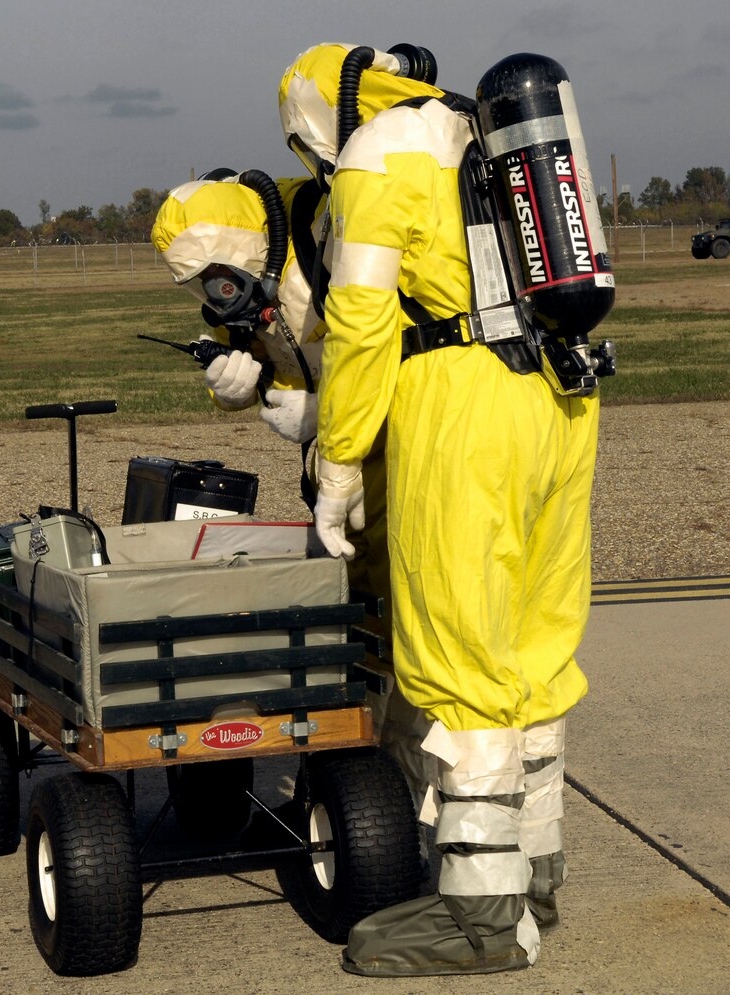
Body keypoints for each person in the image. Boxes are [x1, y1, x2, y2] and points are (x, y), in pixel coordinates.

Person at [279, 44, 602, 975]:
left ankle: (479, 917)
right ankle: (535, 875)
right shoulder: (478, 129)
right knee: (532, 654)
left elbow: (364, 318)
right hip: (559, 396)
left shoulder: (378, 148)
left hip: (463, 409)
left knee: (459, 660)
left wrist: (339, 454)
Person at [151, 173, 432, 803]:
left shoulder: (329, 248)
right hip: (334, 473)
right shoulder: (244, 288)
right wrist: (232, 391)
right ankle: (364, 781)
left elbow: (392, 360)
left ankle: (402, 790)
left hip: (403, 454)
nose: (213, 294)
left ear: (243, 246)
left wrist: (319, 411)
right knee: (356, 617)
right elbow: (255, 359)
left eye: (214, 275)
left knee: (407, 617)